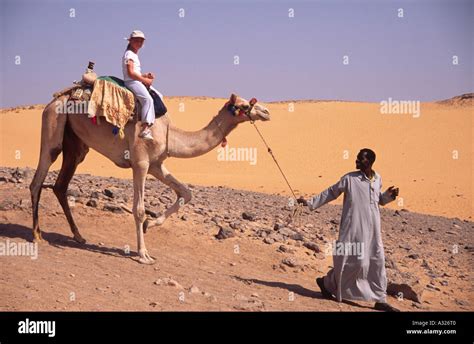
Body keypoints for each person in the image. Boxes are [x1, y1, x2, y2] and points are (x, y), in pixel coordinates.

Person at [298, 148, 400, 312]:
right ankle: (326, 283)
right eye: (357, 158)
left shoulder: (377, 178)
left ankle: (380, 299)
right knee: (354, 261)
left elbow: (378, 200)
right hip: (353, 227)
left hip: (373, 229)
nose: (357, 161)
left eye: (361, 159)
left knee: (377, 261)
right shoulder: (349, 179)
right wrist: (310, 203)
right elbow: (331, 192)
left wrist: (388, 196)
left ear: (370, 162)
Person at [122, 30, 157, 141]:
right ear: (131, 41)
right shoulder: (129, 55)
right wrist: (144, 80)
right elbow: (130, 73)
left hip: (135, 80)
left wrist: (145, 75)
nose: (139, 43)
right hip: (132, 82)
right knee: (148, 100)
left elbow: (134, 72)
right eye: (136, 40)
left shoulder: (133, 55)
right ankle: (145, 129)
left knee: (158, 96)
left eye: (141, 41)